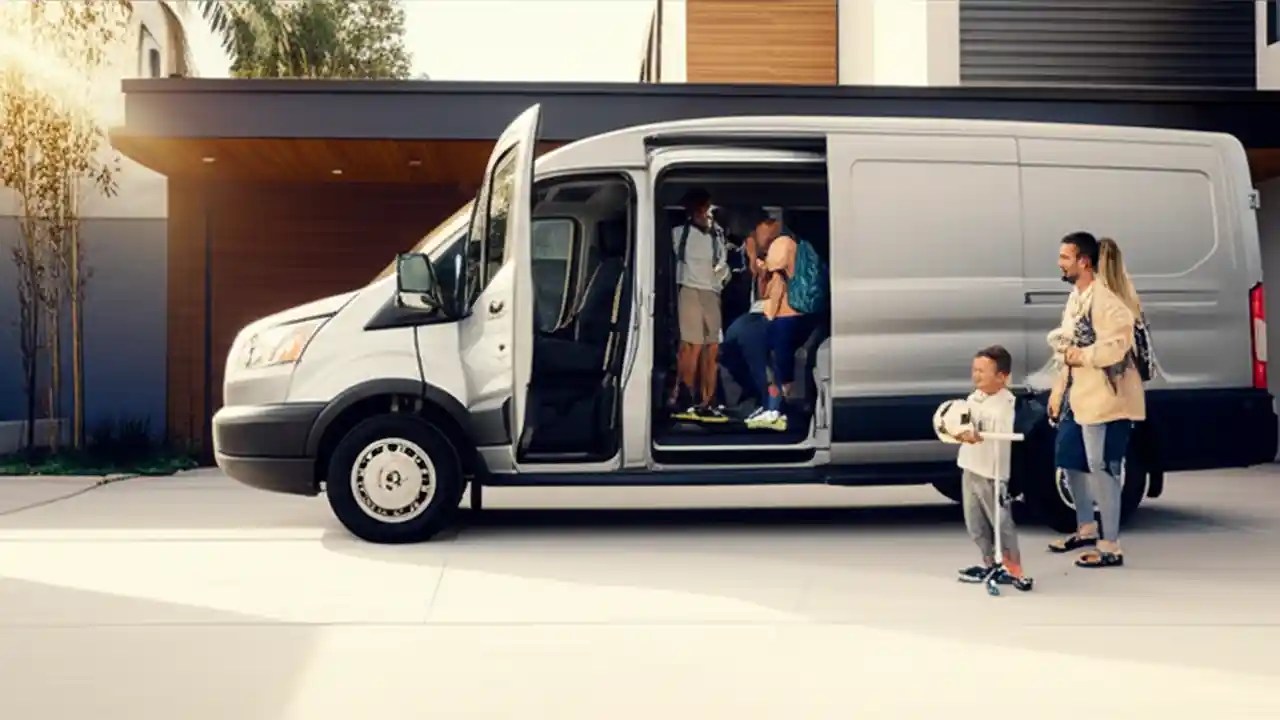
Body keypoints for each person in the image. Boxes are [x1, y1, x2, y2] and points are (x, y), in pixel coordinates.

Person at [1046, 232, 1146, 568]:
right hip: (1079, 397)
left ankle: (1110, 546)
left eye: (1065, 257)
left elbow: (1116, 346)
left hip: (1106, 398)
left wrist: (1080, 356)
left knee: (1103, 468)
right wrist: (1059, 391)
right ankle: (1086, 528)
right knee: (1069, 460)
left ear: (1083, 261)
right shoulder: (1077, 297)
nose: (1060, 263)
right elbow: (1066, 345)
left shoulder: (1107, 301)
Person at [954, 345, 1033, 591]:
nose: (976, 375)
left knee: (1000, 522)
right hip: (970, 467)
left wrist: (980, 434)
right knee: (975, 523)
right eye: (974, 370)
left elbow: (1002, 433)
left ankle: (1013, 568)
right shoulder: (972, 399)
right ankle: (989, 562)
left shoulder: (1005, 405)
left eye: (982, 371)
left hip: (993, 472)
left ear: (1002, 376)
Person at [746, 218, 816, 431]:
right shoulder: (794, 244)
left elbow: (773, 268)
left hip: (784, 313)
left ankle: (776, 410)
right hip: (790, 313)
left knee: (776, 362)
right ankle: (775, 407)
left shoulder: (782, 243)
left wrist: (755, 259)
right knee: (778, 361)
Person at [669, 188, 731, 422]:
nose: (706, 213)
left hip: (713, 292)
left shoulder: (718, 234)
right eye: (703, 208)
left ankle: (708, 401)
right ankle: (685, 398)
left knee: (712, 347)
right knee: (691, 346)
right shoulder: (679, 234)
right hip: (690, 289)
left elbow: (722, 263)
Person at [720, 209, 777, 414]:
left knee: (749, 338)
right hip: (755, 311)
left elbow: (765, 290)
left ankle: (768, 401)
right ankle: (753, 392)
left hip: (772, 311)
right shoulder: (747, 250)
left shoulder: (781, 247)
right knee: (728, 349)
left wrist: (756, 259)